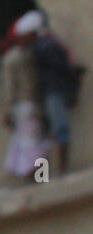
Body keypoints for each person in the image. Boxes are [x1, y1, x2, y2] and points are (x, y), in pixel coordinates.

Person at [31, 12, 84, 176]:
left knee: (48, 135)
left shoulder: (43, 45)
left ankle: (46, 175)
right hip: (53, 92)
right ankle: (60, 170)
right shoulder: (46, 45)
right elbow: (60, 66)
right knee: (59, 131)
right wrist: (74, 72)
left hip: (49, 92)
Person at [0, 13, 49, 180]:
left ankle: (38, 177)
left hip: (27, 105)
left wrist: (7, 111)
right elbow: (9, 86)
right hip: (26, 105)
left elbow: (9, 87)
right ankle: (39, 177)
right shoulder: (22, 56)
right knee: (34, 142)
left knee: (31, 142)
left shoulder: (21, 55)